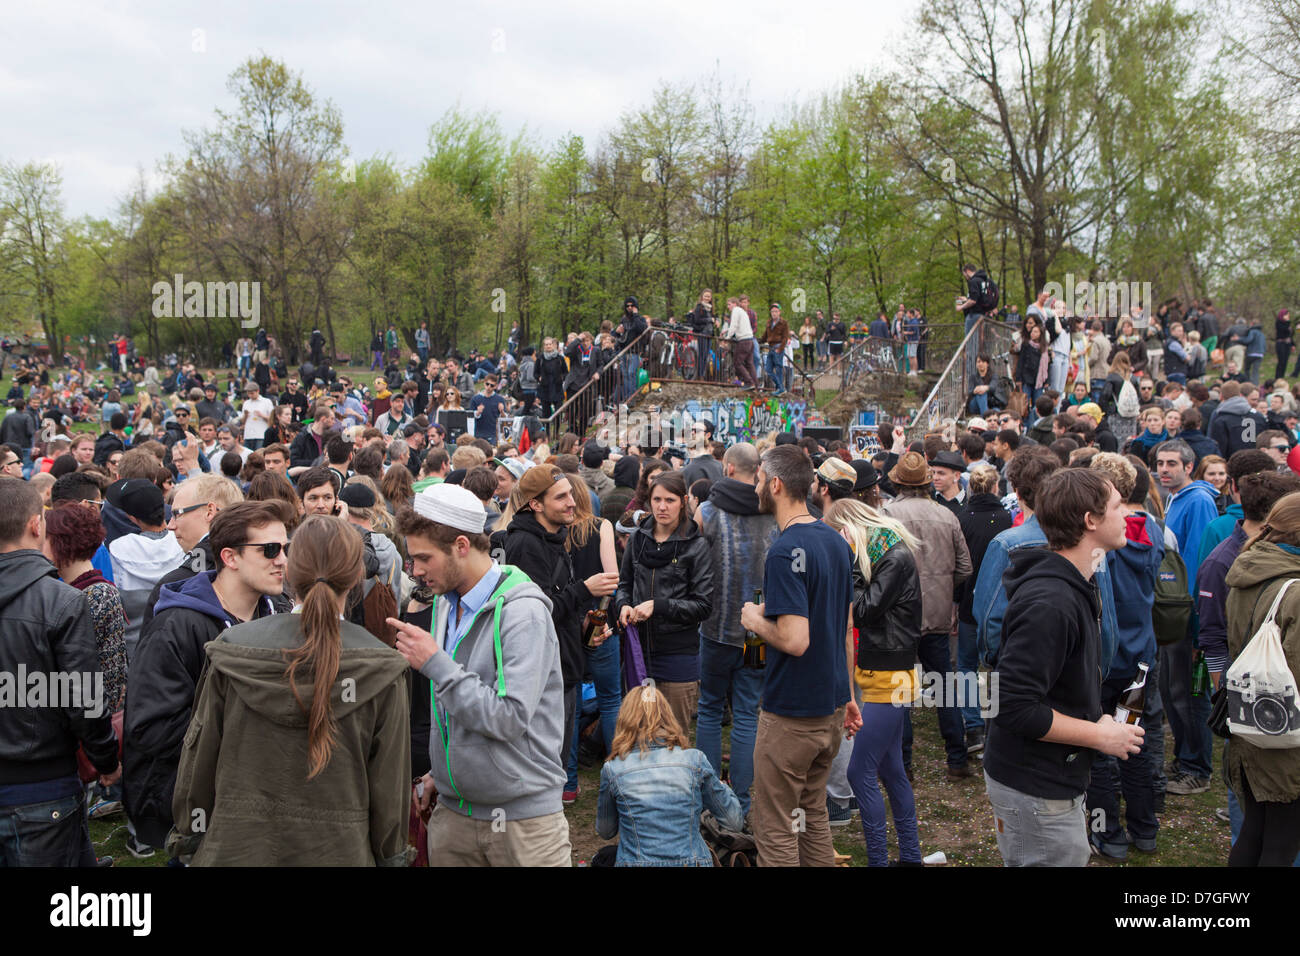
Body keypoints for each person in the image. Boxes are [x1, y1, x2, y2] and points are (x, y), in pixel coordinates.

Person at [168, 514, 409, 866]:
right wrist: (391, 856)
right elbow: (391, 788)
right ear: (358, 575)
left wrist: (190, 834)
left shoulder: (233, 647)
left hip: (236, 847)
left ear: (290, 571)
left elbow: (199, 756)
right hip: (339, 850)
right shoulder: (383, 666)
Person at [391, 483, 573, 866]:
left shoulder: (522, 612)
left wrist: (435, 663)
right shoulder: (444, 600)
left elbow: (508, 718)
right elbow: (455, 709)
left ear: (461, 546)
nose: (416, 571)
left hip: (522, 824)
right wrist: (442, 776)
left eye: (424, 558)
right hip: (454, 814)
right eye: (412, 559)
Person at [983, 468, 1144, 867]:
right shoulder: (1051, 602)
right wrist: (1098, 736)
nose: (1129, 515)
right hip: (1036, 786)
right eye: (1118, 506)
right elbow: (1012, 704)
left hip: (1051, 779)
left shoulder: (1074, 583)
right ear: (1090, 521)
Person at [123, 500, 293, 858]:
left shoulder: (276, 615)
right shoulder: (177, 625)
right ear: (230, 558)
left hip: (257, 800)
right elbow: (150, 727)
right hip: (195, 808)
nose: (282, 560)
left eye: (286, 548)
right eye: (270, 549)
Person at [739, 445, 855, 867]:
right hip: (829, 710)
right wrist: (850, 695)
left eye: (757, 481)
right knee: (809, 815)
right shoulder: (835, 541)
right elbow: (843, 629)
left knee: (776, 826)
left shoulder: (785, 551)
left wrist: (754, 620)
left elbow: (796, 639)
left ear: (775, 484)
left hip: (793, 714)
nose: (754, 489)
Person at [0, 480, 121, 865]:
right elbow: (83, 700)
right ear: (37, 526)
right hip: (42, 787)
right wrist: (107, 761)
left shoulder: (62, 601)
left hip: (41, 782)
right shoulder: (62, 602)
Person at [822, 498, 923, 866]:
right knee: (890, 768)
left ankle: (879, 860)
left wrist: (847, 568)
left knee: (859, 770)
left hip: (889, 677)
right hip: (884, 671)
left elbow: (863, 611)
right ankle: (910, 857)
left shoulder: (892, 557)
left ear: (849, 528)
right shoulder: (883, 554)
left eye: (838, 538)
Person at [1084, 454, 1165, 860]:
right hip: (1139, 657)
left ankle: (1107, 832)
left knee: (1101, 744)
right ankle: (1145, 829)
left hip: (1106, 658)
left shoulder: (1102, 537)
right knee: (1132, 741)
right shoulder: (1151, 528)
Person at [883, 452, 973, 778]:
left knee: (900, 691)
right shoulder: (946, 515)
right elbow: (965, 566)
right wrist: (944, 589)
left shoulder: (887, 515)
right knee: (945, 687)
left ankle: (902, 764)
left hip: (898, 615)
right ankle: (957, 758)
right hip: (935, 613)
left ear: (897, 481)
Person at [1224, 492, 1300, 865]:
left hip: (1249, 723)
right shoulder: (1295, 589)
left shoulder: (1247, 569)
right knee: (1282, 844)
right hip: (1288, 738)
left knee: (1254, 831)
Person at [596, 686, 744, 866]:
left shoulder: (614, 769)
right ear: (668, 716)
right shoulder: (694, 761)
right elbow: (734, 822)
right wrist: (722, 786)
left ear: (624, 720)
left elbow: (605, 831)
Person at [614, 471, 713, 735]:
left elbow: (703, 605)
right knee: (639, 731)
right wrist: (623, 604)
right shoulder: (638, 539)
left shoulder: (696, 545)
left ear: (683, 501)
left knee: (674, 735)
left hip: (678, 653)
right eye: (656, 499)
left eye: (669, 500)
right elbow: (624, 585)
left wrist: (658, 605)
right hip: (638, 650)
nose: (662, 506)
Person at [955, 464, 1012, 754]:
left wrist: (955, 603)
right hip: (1002, 604)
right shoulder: (1008, 520)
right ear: (995, 488)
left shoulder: (962, 518)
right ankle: (995, 725)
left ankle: (973, 726)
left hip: (968, 603)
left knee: (966, 666)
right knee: (1001, 666)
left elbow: (957, 566)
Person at [107, 478, 185, 657]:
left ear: (132, 518)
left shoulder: (118, 549)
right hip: (178, 647)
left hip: (134, 652)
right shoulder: (184, 544)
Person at [238, 382, 273, 452]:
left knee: (259, 454)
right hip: (248, 435)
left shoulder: (266, 402)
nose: (250, 395)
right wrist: (245, 415)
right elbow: (242, 421)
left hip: (261, 434)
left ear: (258, 391)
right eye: (248, 393)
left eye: (252, 393)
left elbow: (272, 418)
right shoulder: (246, 403)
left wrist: (262, 415)